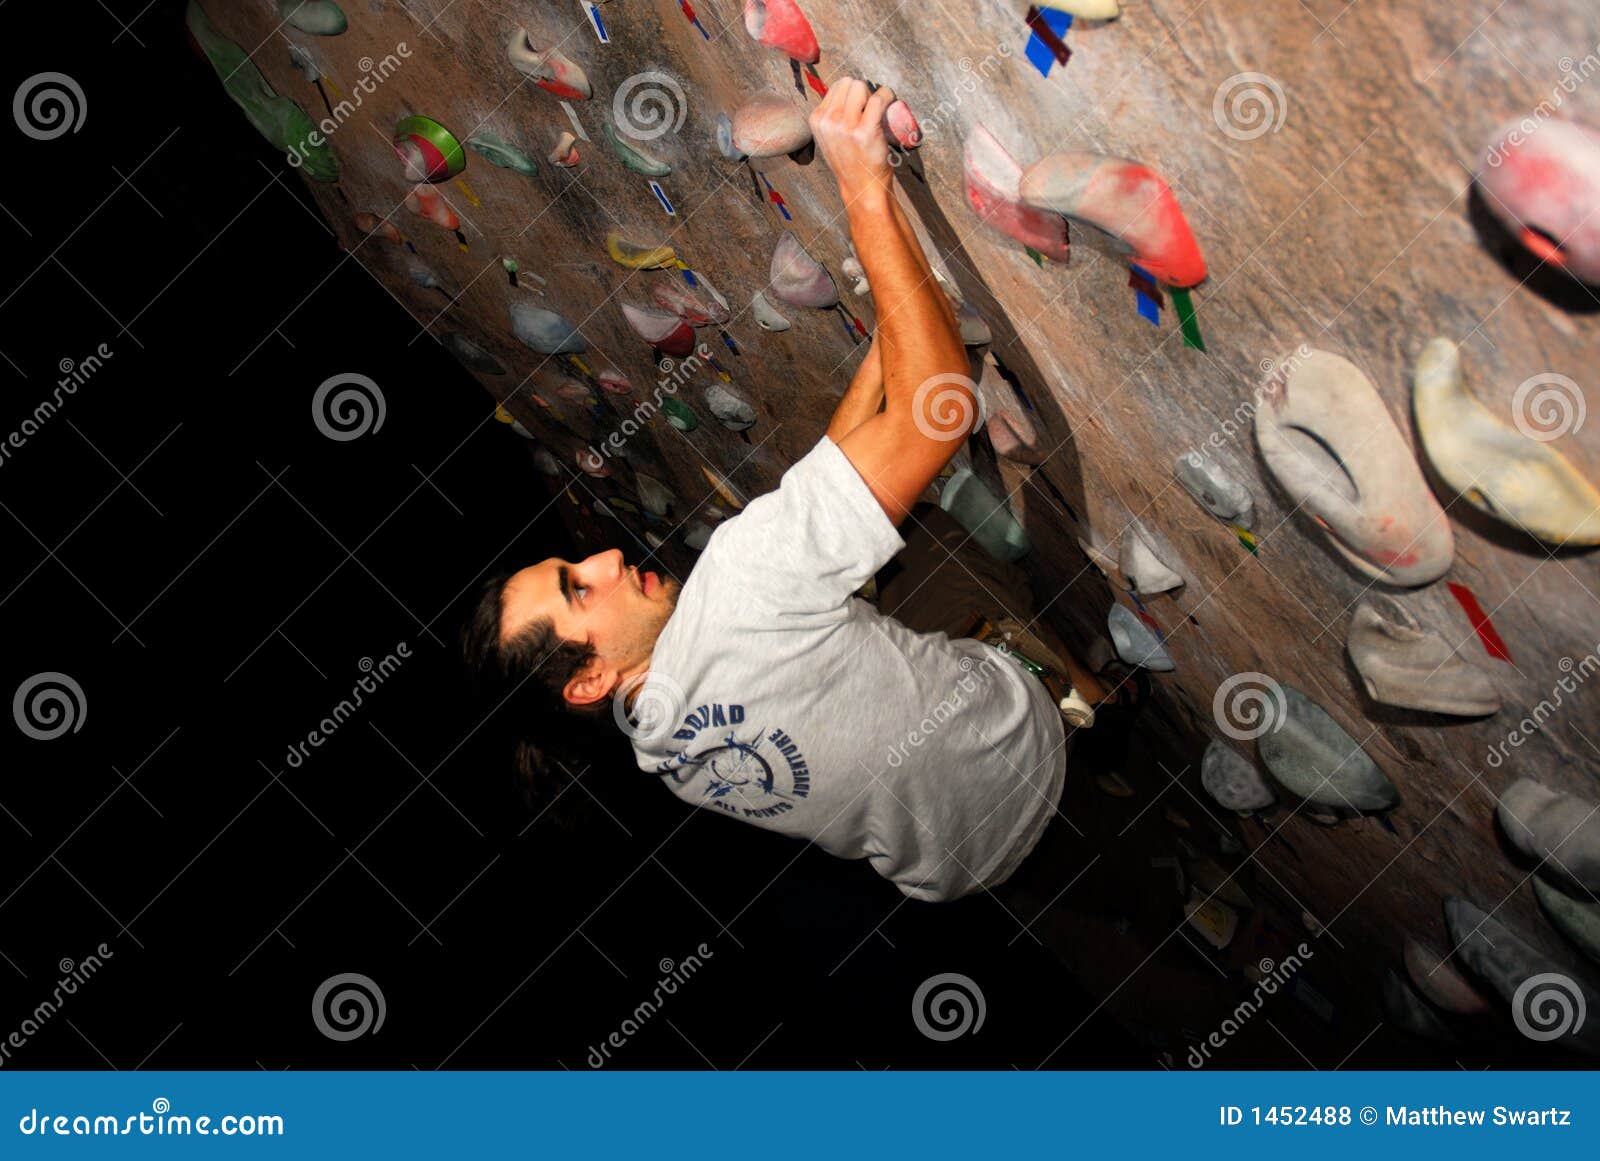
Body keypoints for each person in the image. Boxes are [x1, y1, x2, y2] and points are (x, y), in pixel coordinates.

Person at [464, 79, 1109, 903]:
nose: (607, 556)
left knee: (836, 556)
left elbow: (815, 494)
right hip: (1023, 749)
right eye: (579, 589)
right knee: (930, 542)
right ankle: (1075, 691)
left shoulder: (663, 754)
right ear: (584, 679)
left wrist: (886, 343)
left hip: (966, 869)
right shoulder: (738, 584)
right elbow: (936, 405)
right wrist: (861, 185)